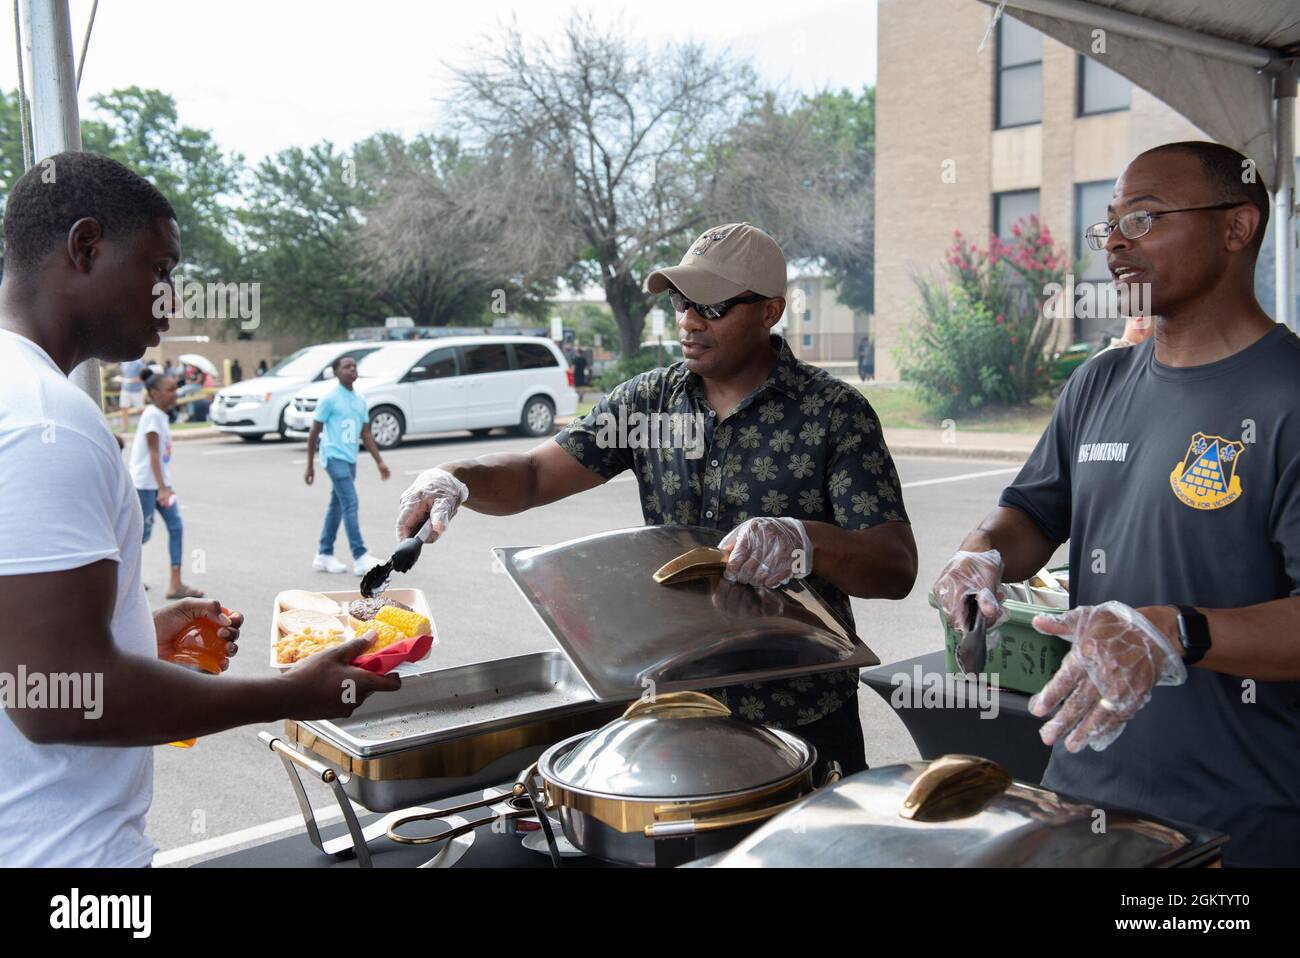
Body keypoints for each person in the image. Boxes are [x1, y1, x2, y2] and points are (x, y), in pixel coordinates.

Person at [395, 223, 918, 778]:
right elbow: (530, 475)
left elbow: (895, 567)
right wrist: (454, 476)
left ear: (770, 311)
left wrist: (804, 539)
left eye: (713, 307)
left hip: (803, 707)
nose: (689, 321)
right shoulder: (648, 403)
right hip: (677, 705)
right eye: (680, 302)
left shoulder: (834, 413)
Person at [0, 151, 400, 867]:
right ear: (86, 247)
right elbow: (55, 701)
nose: (171, 300)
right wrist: (287, 694)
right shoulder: (41, 421)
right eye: (159, 270)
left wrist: (134, 634)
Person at [930, 142, 1300, 867]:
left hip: (1241, 826)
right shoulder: (1099, 384)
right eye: (1109, 226)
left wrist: (1174, 632)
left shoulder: (1288, 396)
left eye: (1144, 218)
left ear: (1238, 227)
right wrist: (981, 555)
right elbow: (1034, 513)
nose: (1117, 244)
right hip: (1084, 799)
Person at [305, 355, 390, 575]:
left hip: (350, 459)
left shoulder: (360, 400)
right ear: (336, 372)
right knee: (351, 504)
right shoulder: (330, 399)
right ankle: (360, 556)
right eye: (346, 367)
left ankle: (323, 555)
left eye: (354, 366)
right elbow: (314, 432)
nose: (352, 370)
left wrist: (379, 461)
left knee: (337, 505)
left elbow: (366, 433)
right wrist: (310, 465)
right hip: (333, 458)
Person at [128, 366, 204, 599]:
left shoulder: (160, 415)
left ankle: (175, 584)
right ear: (154, 393)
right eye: (169, 389)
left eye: (175, 388)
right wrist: (162, 488)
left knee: (176, 527)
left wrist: (166, 485)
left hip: (160, 484)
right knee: (141, 536)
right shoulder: (151, 414)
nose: (175, 393)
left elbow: (161, 456)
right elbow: (152, 453)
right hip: (146, 485)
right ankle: (127, 582)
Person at [117, 356, 146, 431]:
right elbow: (124, 374)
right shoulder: (123, 362)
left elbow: (142, 376)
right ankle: (125, 428)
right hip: (125, 389)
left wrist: (133, 380)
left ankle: (145, 426)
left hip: (137, 390)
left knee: (140, 409)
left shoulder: (139, 363)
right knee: (124, 408)